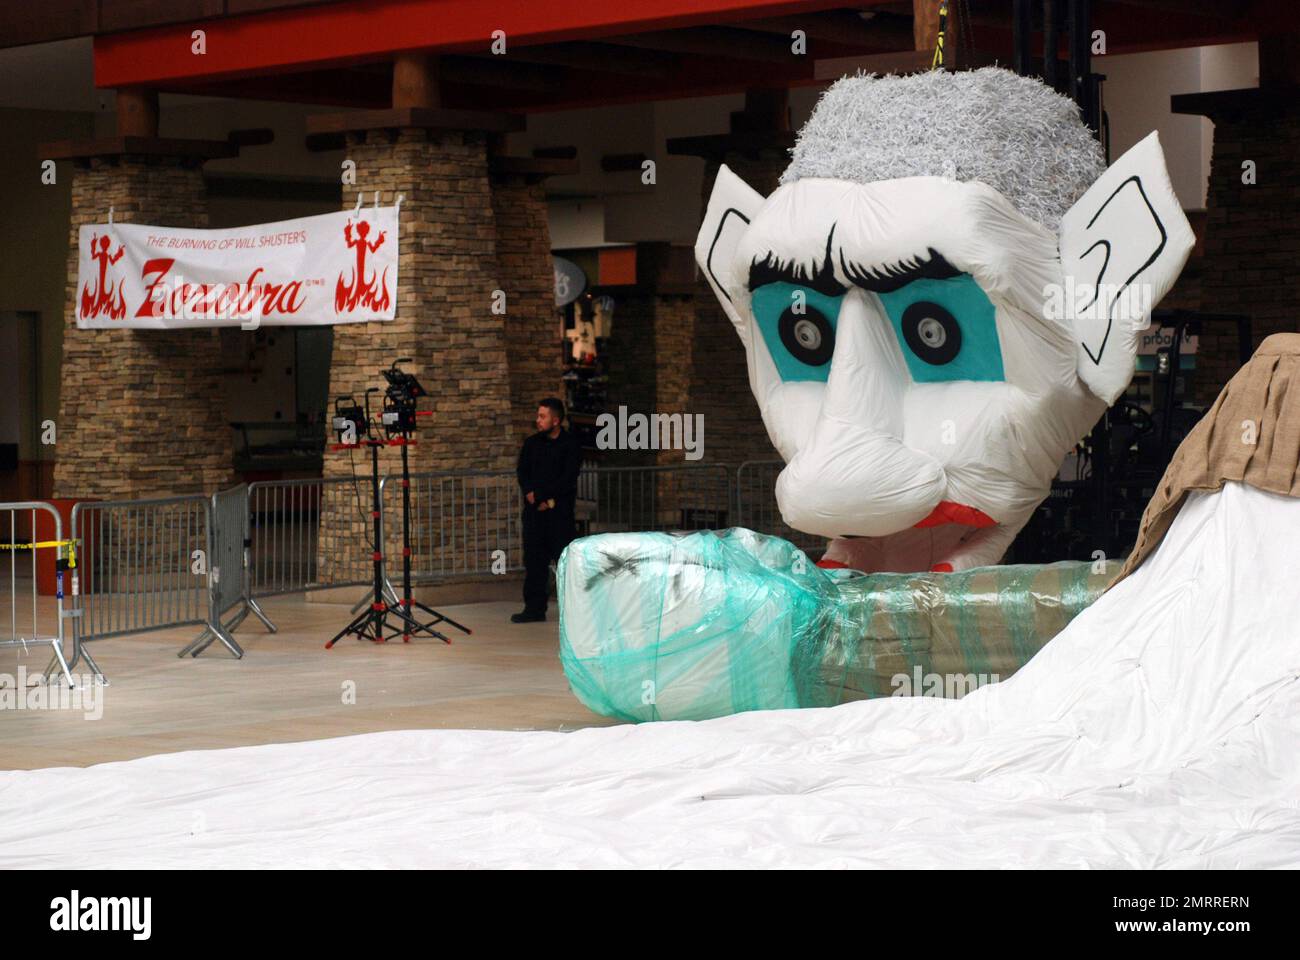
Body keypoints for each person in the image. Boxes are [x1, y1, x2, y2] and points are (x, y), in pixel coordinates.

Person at [512, 398, 583, 623]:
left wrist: (544, 497)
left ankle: (573, 610)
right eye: (538, 416)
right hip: (534, 514)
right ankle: (534, 608)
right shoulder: (532, 444)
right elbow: (523, 471)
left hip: (559, 515)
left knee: (565, 563)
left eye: (543, 416)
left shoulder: (570, 445)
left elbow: (567, 479)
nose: (538, 420)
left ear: (556, 420)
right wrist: (530, 493)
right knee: (534, 562)